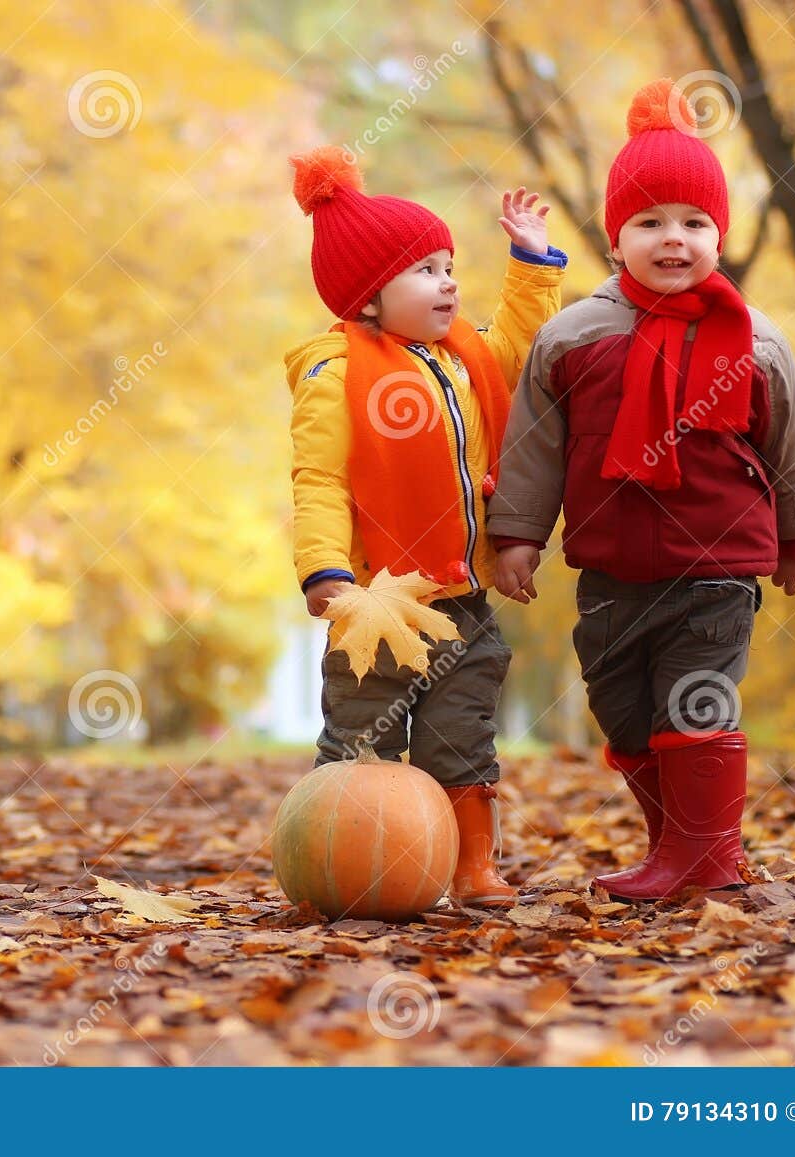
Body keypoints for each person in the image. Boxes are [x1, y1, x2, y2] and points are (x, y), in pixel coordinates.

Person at [488, 79, 795, 901]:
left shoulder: (756, 340)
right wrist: (518, 533)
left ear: (720, 235)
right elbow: (536, 445)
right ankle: (678, 846)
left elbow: (792, 444)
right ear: (615, 240)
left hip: (716, 566)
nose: (672, 239)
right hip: (610, 568)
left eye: (693, 222)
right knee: (627, 713)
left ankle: (705, 858)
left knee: (696, 701)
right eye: (649, 223)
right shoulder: (574, 334)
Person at [285, 145, 567, 906]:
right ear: (370, 297)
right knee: (364, 739)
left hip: (463, 600)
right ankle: (346, 861)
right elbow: (319, 481)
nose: (448, 282)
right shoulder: (335, 375)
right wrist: (325, 572)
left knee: (464, 736)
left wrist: (531, 265)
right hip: (378, 605)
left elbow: (516, 349)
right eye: (426, 269)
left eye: (450, 266)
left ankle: (471, 862)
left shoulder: (461, 355)